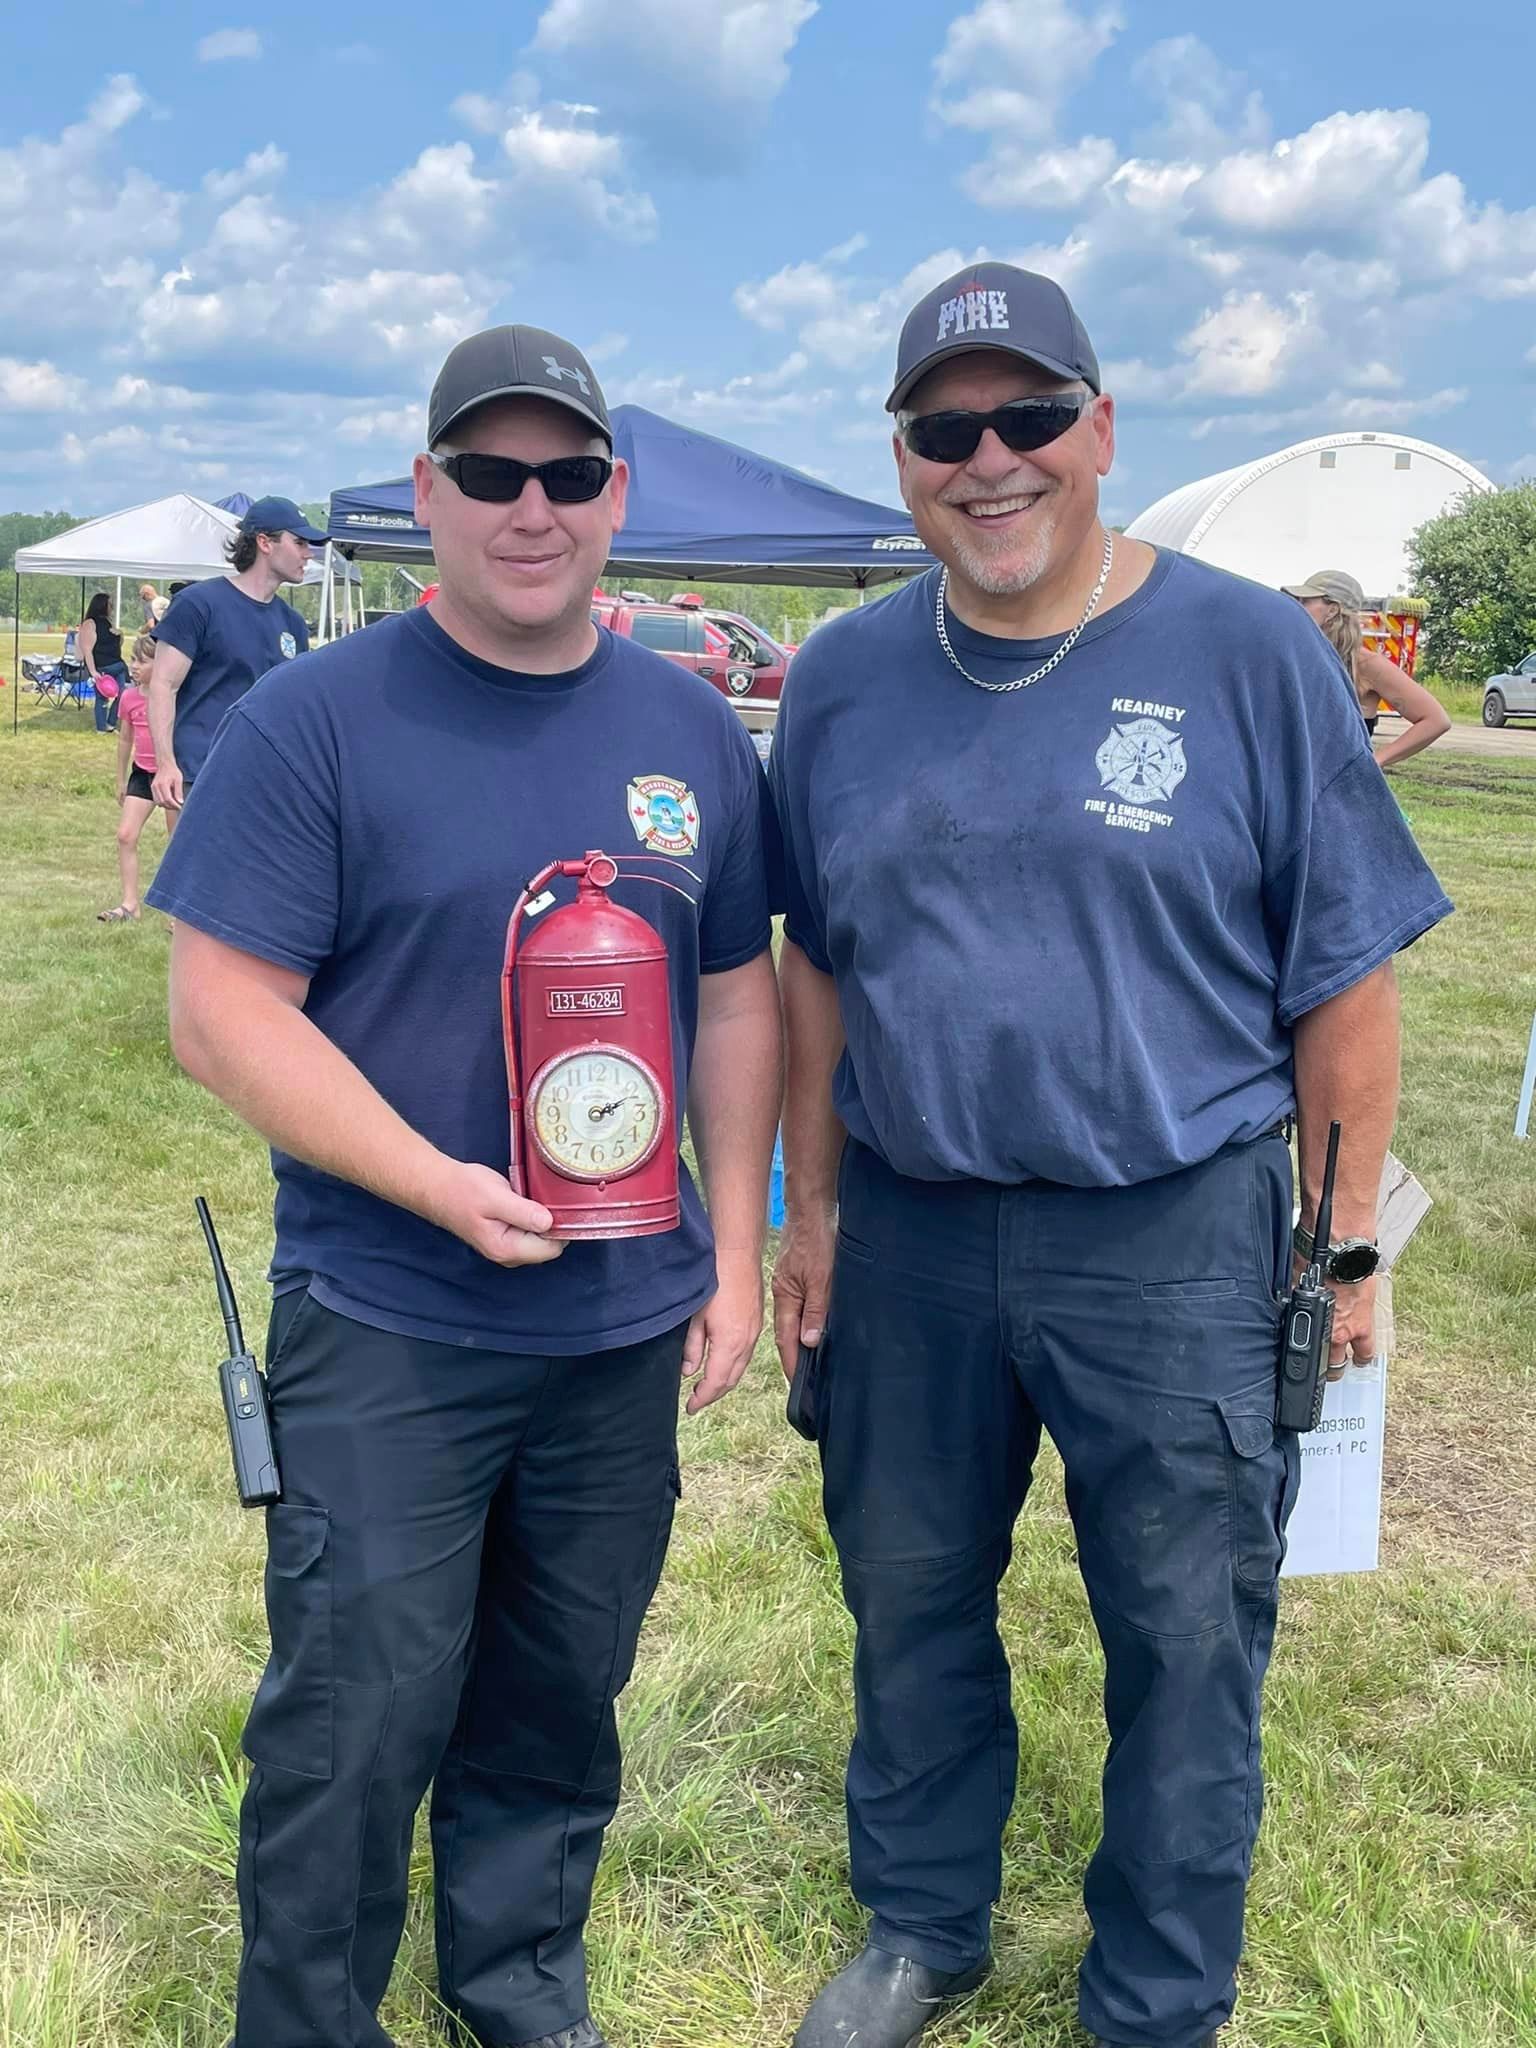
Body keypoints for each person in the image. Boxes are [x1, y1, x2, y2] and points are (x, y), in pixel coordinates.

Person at [768, 264, 1453, 2048]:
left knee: (1183, 1628)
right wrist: (814, 1212)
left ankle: (1154, 1993)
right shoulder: (839, 680)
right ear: (904, 457)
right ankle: (924, 1920)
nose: (990, 460)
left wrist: (1346, 1247)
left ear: (1102, 428)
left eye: (1028, 418)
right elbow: (815, 970)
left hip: (1176, 1231)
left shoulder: (1246, 655)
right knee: (908, 1591)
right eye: (945, 429)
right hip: (915, 1225)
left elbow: (1345, 975)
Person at [145, 321, 781, 2048]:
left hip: (618, 1315)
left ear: (615, 495)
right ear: (424, 492)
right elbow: (219, 1013)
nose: (530, 507)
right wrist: (430, 1180)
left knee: (558, 1692)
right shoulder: (312, 719)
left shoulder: (690, 728)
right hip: (390, 1315)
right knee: (354, 1716)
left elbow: (732, 992)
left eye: (568, 475)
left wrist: (735, 1241)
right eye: (489, 474)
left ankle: (517, 1988)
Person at [147, 498, 322, 812]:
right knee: (198, 863)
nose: (308, 553)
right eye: (299, 542)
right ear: (264, 542)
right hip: (200, 771)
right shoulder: (198, 604)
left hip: (266, 779)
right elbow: (163, 685)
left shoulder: (292, 624)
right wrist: (166, 765)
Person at [1283, 569, 1451, 768]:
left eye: (1306, 601)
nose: (1297, 607)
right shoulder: (1298, 657)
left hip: (1337, 792)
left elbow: (1435, 720)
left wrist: (1372, 763)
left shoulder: (1365, 664)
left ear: (1332, 610)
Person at [98, 632, 174, 923]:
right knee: (126, 835)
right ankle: (130, 905)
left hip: (169, 774)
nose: (134, 666)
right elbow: (124, 740)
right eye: (132, 659)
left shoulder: (172, 698)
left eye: (143, 660)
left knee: (176, 842)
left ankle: (177, 915)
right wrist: (120, 780)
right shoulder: (129, 697)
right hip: (141, 774)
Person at [79, 591, 127, 733]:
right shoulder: (90, 624)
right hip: (102, 667)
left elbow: (117, 644)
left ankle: (111, 723)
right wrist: (93, 671)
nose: (111, 607)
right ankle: (101, 727)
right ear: (101, 605)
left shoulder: (107, 621)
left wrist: (120, 634)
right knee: (102, 698)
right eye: (109, 604)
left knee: (122, 695)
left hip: (117, 665)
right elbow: (87, 650)